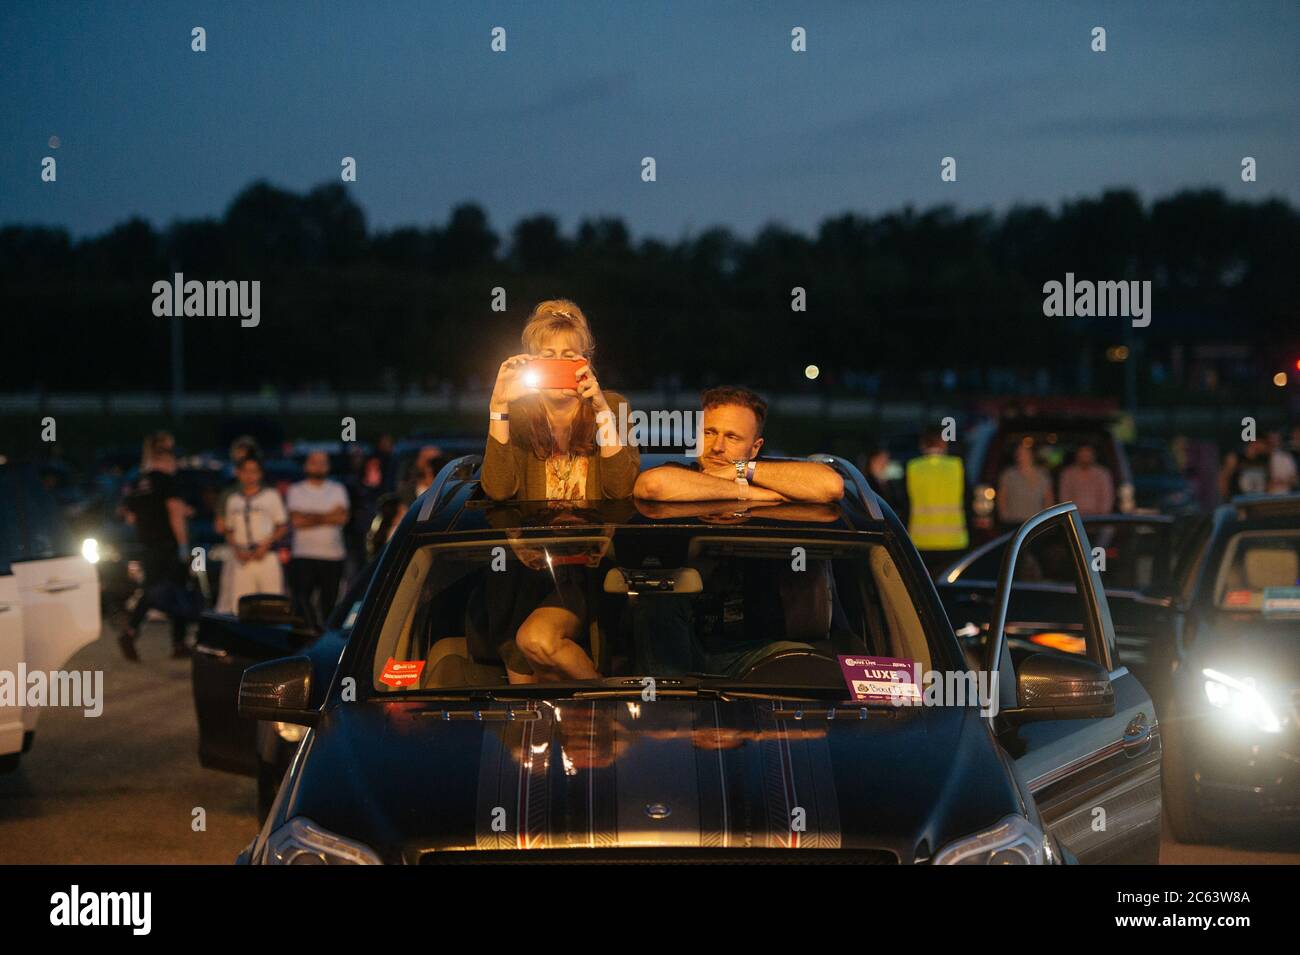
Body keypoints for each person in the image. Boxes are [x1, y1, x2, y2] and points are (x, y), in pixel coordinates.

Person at [482, 299, 639, 684]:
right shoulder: (517, 414)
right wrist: (498, 405)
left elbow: (621, 489)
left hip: (588, 568)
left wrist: (601, 407)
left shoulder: (614, 405)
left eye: (568, 355)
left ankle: (608, 711)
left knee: (537, 640)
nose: (557, 363)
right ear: (530, 363)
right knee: (527, 687)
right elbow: (499, 490)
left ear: (586, 360)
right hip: (525, 570)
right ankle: (581, 731)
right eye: (546, 355)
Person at [633, 386, 844, 504]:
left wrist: (739, 469)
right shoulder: (678, 471)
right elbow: (652, 486)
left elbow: (832, 485)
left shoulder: (776, 477)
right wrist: (751, 493)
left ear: (755, 448)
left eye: (732, 437)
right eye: (709, 433)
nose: (717, 446)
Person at [119, 445, 193, 660]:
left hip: (147, 546)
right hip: (167, 546)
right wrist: (183, 546)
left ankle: (130, 632)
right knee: (179, 591)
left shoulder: (138, 482)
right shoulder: (167, 481)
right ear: (167, 461)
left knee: (151, 590)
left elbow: (129, 516)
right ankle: (179, 643)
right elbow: (174, 512)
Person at [217, 454, 289, 614]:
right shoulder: (233, 500)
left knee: (271, 604)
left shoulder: (271, 496)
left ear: (260, 474)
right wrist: (236, 549)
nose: (250, 476)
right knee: (241, 606)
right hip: (242, 558)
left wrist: (267, 544)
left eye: (254, 471)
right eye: (245, 471)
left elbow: (282, 526)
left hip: (266, 556)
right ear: (238, 473)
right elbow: (229, 529)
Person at [286, 451, 350, 629]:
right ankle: (308, 635)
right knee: (302, 601)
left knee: (330, 604)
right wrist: (328, 515)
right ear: (306, 465)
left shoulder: (338, 489)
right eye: (314, 462)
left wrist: (308, 515)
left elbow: (342, 518)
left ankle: (325, 638)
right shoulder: (296, 490)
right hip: (303, 555)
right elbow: (296, 521)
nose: (318, 466)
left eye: (323, 462)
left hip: (333, 556)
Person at [905, 428, 969, 578]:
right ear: (943, 444)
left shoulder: (913, 467)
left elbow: (905, 502)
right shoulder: (957, 466)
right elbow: (968, 498)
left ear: (922, 445)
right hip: (954, 542)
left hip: (921, 541)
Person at [997, 442, 1054, 525]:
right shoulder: (1008, 475)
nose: (1020, 456)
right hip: (1013, 521)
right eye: (1018, 453)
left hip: (1035, 522)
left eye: (1024, 453)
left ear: (1031, 454)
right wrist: (1005, 516)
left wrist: (1046, 520)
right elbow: (1001, 498)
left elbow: (1048, 499)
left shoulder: (1042, 475)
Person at [1057, 444, 1115, 515]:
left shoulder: (1102, 474)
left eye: (1088, 455)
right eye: (1082, 455)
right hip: (1074, 517)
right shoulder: (1068, 474)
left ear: (1093, 456)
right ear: (1077, 456)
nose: (1085, 458)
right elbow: (1064, 498)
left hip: (1098, 518)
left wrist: (1099, 514)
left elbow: (1107, 498)